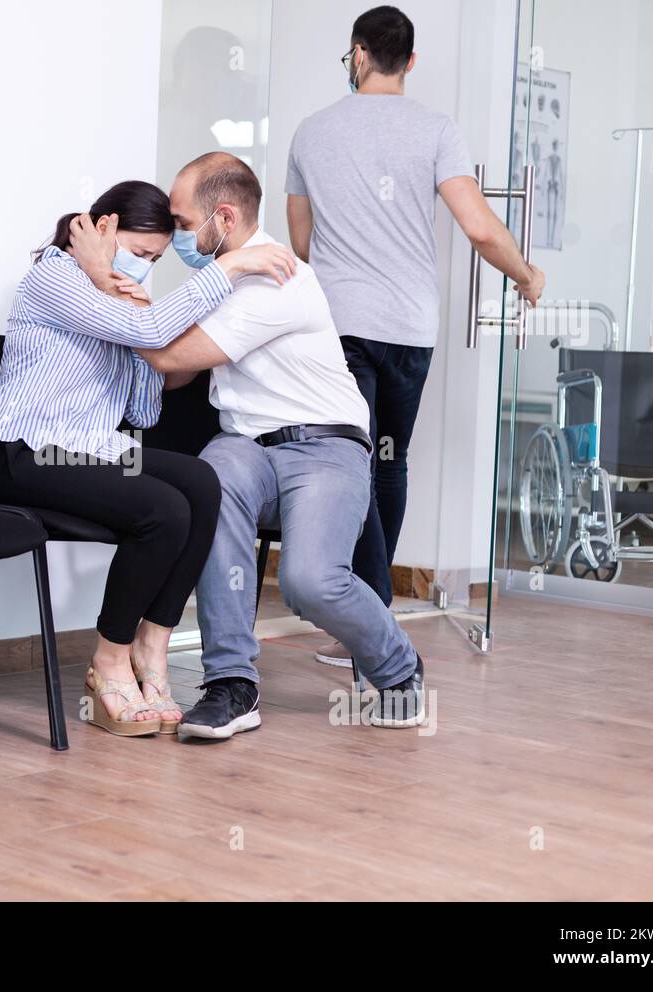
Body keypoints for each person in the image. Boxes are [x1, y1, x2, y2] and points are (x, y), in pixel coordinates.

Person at [74, 152, 427, 737]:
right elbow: (178, 373)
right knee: (207, 485)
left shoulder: (275, 278)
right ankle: (231, 684)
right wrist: (131, 303)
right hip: (245, 446)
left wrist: (99, 277)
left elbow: (166, 356)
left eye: (185, 225)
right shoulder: (219, 276)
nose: (178, 237)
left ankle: (397, 666)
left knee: (309, 582)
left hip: (325, 447)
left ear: (226, 217)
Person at [0, 180, 297, 737]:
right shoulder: (55, 275)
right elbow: (145, 330)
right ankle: (108, 662)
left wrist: (127, 302)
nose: (145, 266)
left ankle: (152, 645)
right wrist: (231, 267)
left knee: (200, 482)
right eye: (140, 252)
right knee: (162, 511)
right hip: (26, 450)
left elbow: (143, 412)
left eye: (154, 259)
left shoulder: (118, 292)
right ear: (102, 229)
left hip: (91, 449)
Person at [285, 5, 544, 666]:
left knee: (348, 464)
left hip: (339, 327)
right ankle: (373, 618)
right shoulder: (436, 129)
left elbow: (302, 242)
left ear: (359, 53)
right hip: (407, 330)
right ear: (412, 61)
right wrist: (526, 273)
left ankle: (365, 619)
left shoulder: (312, 132)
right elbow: (481, 227)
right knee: (389, 460)